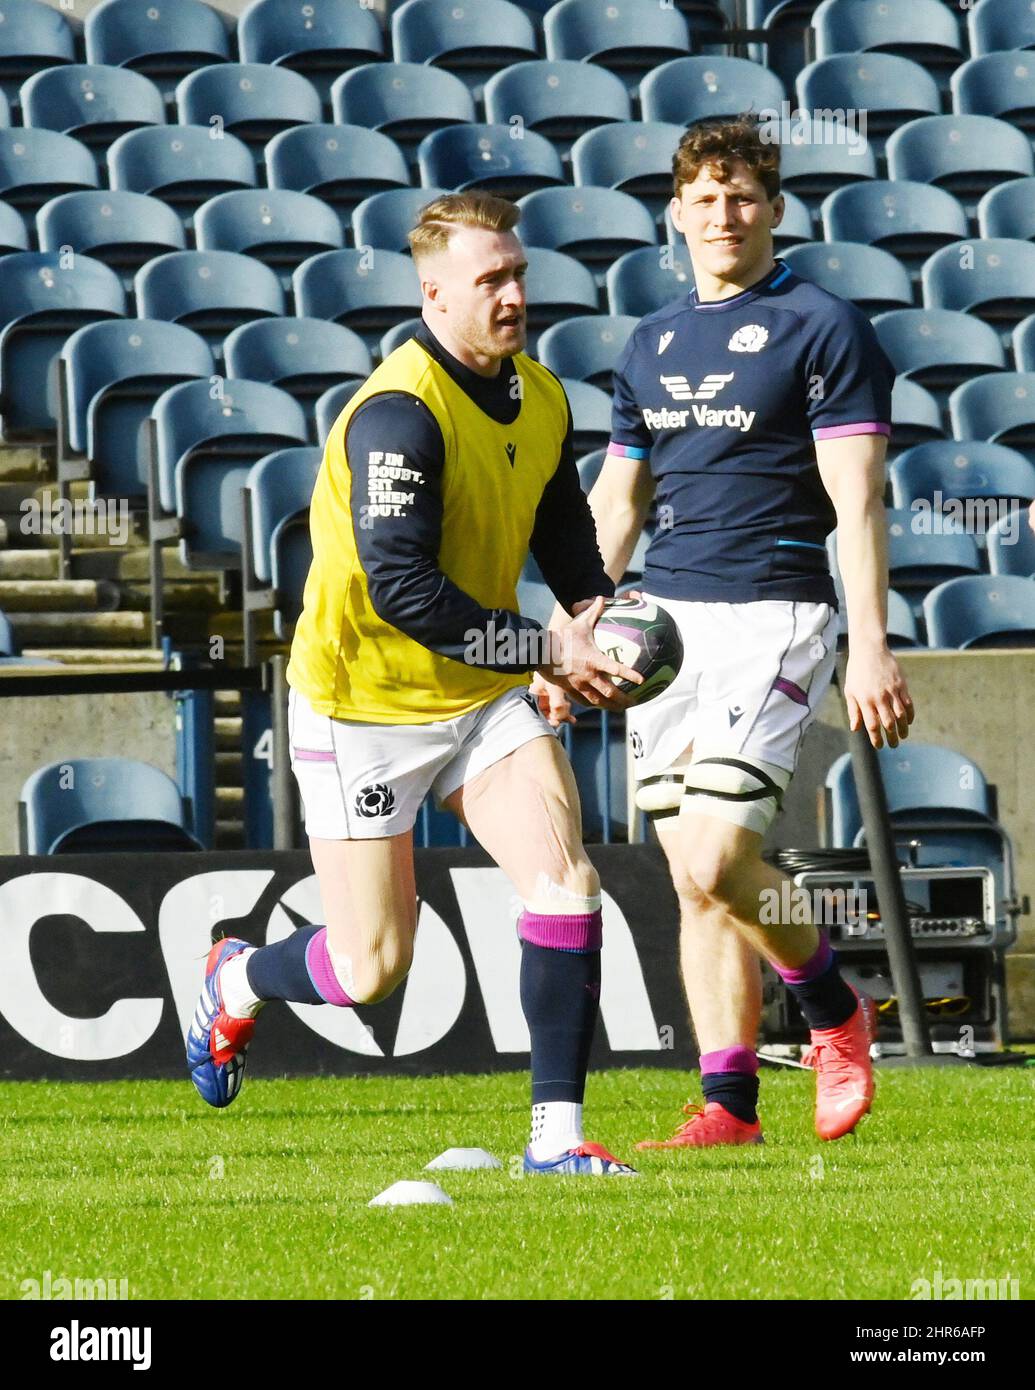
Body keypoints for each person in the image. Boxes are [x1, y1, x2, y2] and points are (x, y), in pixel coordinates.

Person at [186, 191, 644, 1176]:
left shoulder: (543, 392)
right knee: (370, 971)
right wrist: (543, 653)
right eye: (493, 279)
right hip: (366, 704)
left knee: (567, 885)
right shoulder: (400, 414)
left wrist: (591, 612)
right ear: (433, 292)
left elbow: (561, 527)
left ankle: (556, 1144)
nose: (516, 293)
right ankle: (238, 978)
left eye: (519, 272)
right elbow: (402, 592)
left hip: (478, 693)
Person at [535, 115, 915, 1146]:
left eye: (742, 195)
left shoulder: (823, 325)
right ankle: (730, 1104)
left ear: (775, 210)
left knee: (715, 858)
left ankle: (838, 1013)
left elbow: (858, 499)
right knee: (689, 878)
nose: (723, 213)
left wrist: (870, 642)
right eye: (704, 197)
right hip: (662, 627)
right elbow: (614, 508)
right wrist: (575, 637)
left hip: (776, 614)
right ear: (676, 213)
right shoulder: (650, 342)